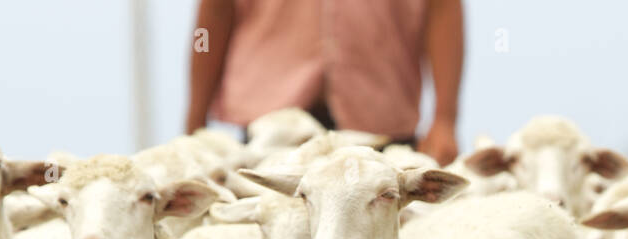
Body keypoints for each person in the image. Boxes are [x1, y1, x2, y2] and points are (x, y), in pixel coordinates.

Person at [184, 0, 463, 165]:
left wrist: (444, 120)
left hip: (381, 130)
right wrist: (195, 125)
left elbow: (442, 7)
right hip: (270, 139)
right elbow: (215, 13)